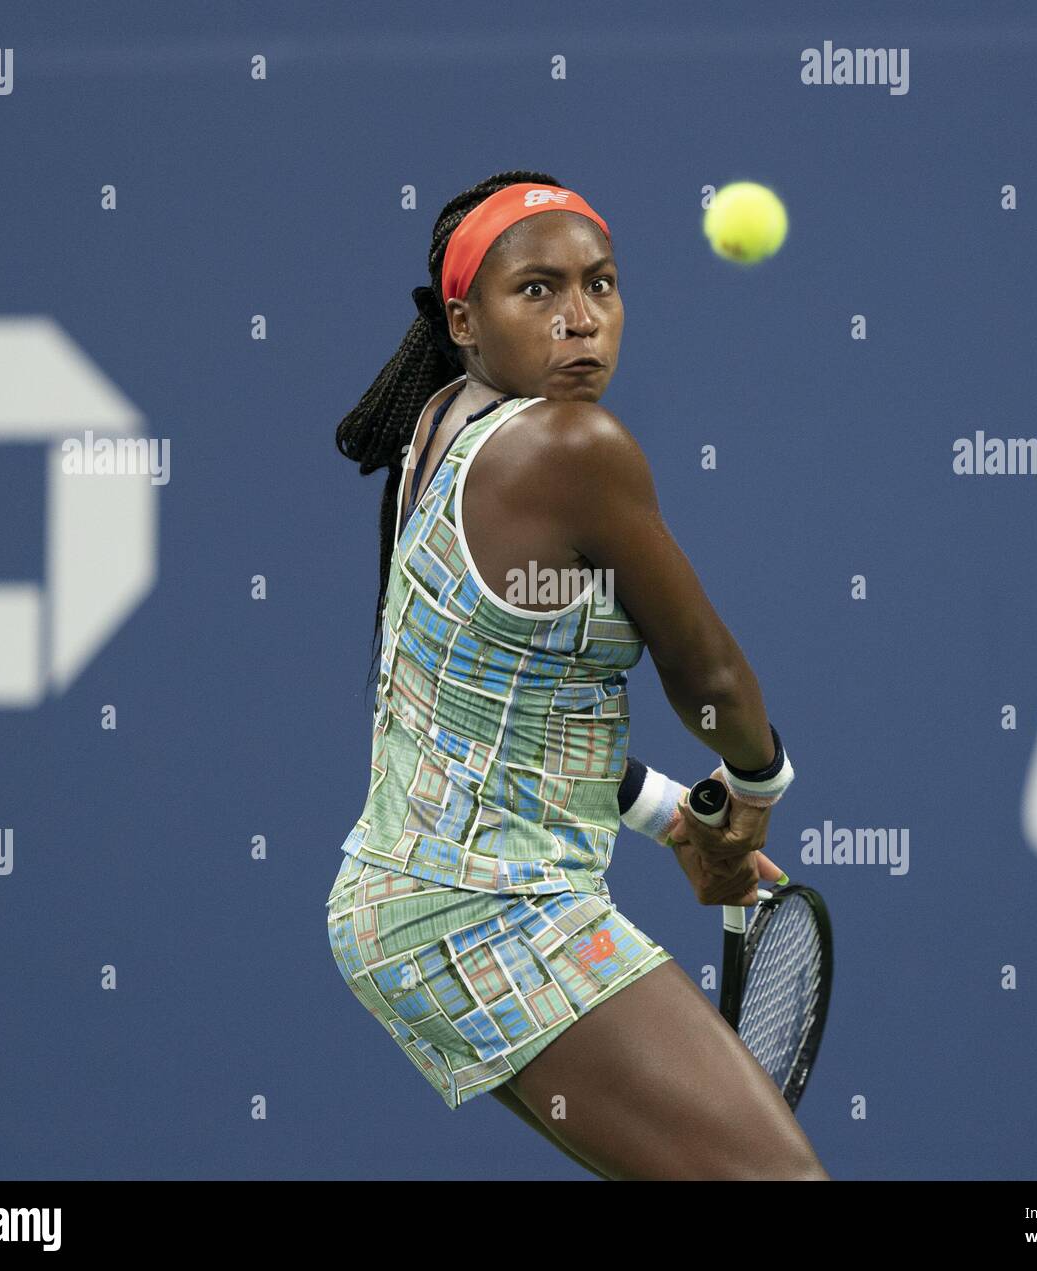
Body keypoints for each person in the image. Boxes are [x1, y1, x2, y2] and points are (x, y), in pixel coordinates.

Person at [329, 169, 829, 1181]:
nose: (580, 320)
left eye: (601, 286)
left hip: (402, 908)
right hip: (489, 908)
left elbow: (472, 720)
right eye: (539, 291)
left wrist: (668, 816)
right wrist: (755, 790)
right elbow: (712, 679)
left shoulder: (434, 431)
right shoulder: (572, 446)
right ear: (464, 320)